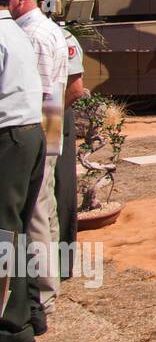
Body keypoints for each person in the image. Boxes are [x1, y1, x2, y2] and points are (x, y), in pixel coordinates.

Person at [6, 0, 67, 331]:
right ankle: (45, 285)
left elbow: (40, 92)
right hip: (46, 126)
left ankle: (42, 295)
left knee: (37, 216)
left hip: (40, 127)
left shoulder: (35, 35)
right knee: (44, 211)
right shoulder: (37, 30)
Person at [0, 0, 45, 342]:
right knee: (17, 228)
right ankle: (30, 310)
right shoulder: (16, 30)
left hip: (8, 137)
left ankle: (11, 327)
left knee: (3, 234)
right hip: (29, 132)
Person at [56, 24, 85, 281]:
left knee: (61, 191)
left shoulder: (59, 36)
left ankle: (61, 263)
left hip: (50, 119)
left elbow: (75, 89)